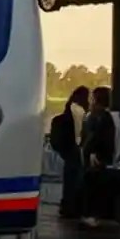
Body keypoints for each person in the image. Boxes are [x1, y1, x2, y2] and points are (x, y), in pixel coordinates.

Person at [78, 86, 116, 228]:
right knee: (98, 187)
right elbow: (105, 137)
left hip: (92, 155)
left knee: (91, 185)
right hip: (101, 156)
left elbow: (89, 136)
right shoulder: (105, 116)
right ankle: (93, 215)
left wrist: (90, 151)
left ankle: (88, 214)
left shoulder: (92, 115)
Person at [49, 86, 89, 218]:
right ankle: (75, 207)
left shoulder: (66, 113)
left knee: (70, 181)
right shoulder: (81, 113)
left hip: (67, 153)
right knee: (78, 180)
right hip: (77, 152)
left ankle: (68, 206)